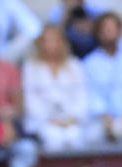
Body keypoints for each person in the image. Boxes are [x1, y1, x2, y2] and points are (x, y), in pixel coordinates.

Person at [22, 22, 87, 150]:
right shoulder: (31, 67)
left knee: (74, 136)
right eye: (48, 40)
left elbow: (81, 96)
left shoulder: (74, 65)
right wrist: (50, 120)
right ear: (40, 43)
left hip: (71, 120)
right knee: (53, 137)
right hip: (43, 121)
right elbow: (31, 99)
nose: (51, 44)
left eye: (55, 40)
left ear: (62, 42)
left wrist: (71, 118)